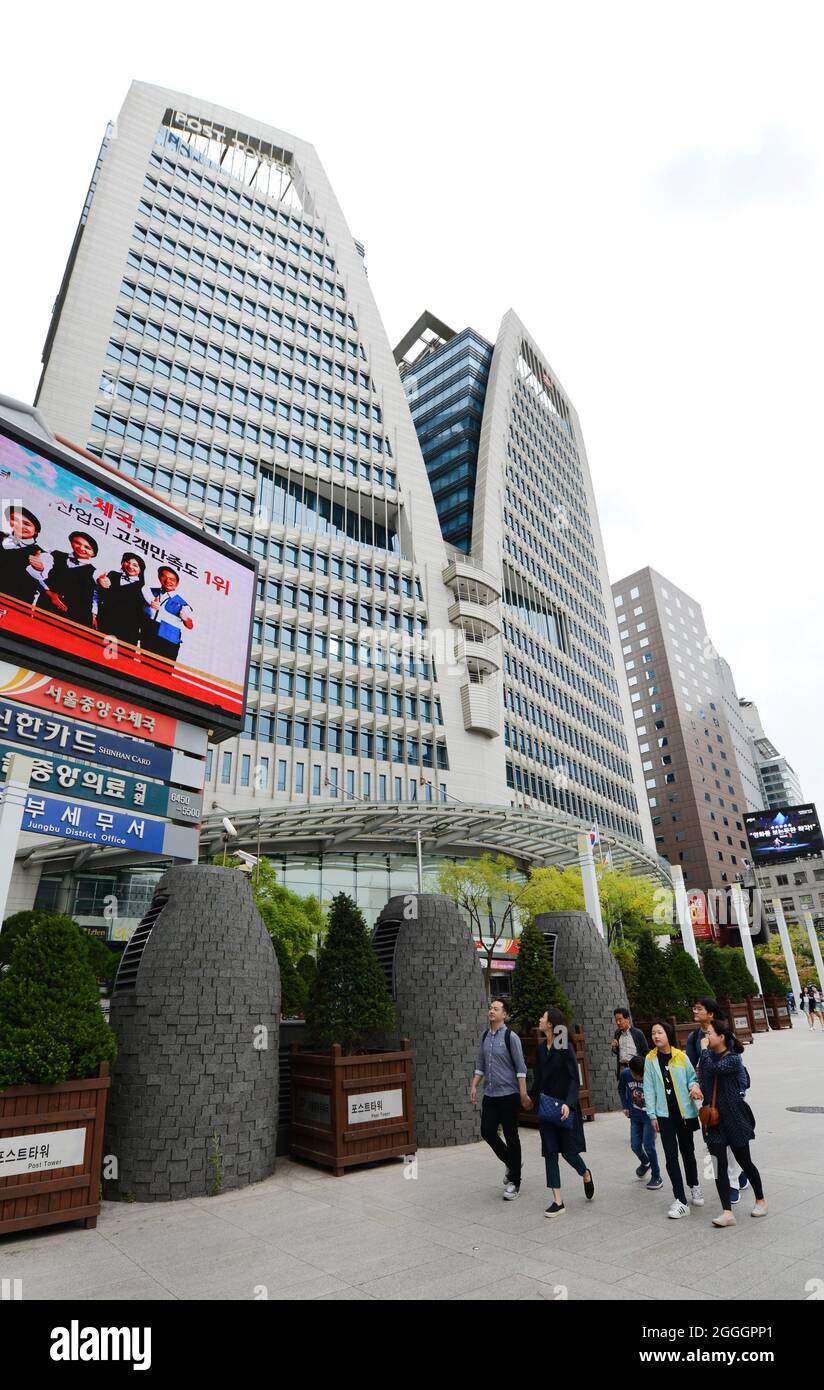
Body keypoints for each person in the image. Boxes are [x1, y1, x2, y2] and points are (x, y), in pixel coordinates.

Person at [696, 1017, 768, 1227]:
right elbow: (703, 1077)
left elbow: (715, 1069)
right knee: (717, 1165)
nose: (706, 1037)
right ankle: (727, 1212)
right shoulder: (707, 1057)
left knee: (745, 1161)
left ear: (721, 1036)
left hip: (734, 1118)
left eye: (709, 1034)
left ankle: (761, 1200)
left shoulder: (733, 1059)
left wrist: (704, 1052)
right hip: (713, 1120)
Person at [530, 1006, 594, 1218]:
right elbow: (538, 1079)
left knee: (568, 1151)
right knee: (550, 1152)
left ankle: (585, 1173)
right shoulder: (540, 1049)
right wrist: (529, 1099)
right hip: (546, 1109)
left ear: (550, 1024)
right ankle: (557, 1201)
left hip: (564, 1109)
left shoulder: (564, 1046)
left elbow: (574, 1079)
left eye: (542, 1017)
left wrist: (568, 1103)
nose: (539, 1019)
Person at [686, 996, 747, 1204]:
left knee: (731, 1141)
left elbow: (737, 1062)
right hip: (707, 1096)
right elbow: (690, 1066)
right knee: (712, 1141)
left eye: (699, 1009)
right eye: (694, 1008)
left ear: (710, 1014)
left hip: (727, 1095)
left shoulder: (721, 1033)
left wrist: (741, 1091)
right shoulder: (694, 1037)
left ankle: (732, 1182)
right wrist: (693, 1083)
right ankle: (731, 1175)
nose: (695, 1011)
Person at [470, 997, 532, 1200]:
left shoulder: (511, 1037)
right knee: (487, 1132)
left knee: (511, 1136)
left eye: (496, 1009)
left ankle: (515, 1181)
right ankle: (512, 1162)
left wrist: (523, 1094)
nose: (491, 1011)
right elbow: (480, 1065)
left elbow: (521, 1068)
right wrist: (474, 1085)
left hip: (509, 1095)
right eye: (490, 1008)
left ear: (504, 1014)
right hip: (490, 1094)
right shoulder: (484, 1036)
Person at [643, 1019, 704, 1219]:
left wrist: (694, 1086)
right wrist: (652, 1114)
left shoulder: (681, 1057)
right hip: (664, 1114)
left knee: (688, 1152)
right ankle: (680, 1200)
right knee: (670, 1156)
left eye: (659, 1032)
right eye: (653, 1033)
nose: (656, 1036)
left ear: (667, 1034)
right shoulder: (650, 1059)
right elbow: (649, 1088)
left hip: (684, 1113)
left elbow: (692, 1078)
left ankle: (694, 1185)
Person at [37, 531, 99, 627]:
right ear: (71, 542)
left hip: (74, 616)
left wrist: (94, 614)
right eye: (77, 543)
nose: (81, 548)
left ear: (93, 553)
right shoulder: (55, 555)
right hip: (45, 606)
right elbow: (39, 576)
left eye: (87, 547)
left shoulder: (95, 572)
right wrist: (50, 594)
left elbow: (95, 597)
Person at [618, 1054, 662, 1189]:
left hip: (650, 1116)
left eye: (641, 1075)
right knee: (635, 1146)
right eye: (636, 1075)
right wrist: (625, 1106)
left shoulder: (651, 1074)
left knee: (648, 1145)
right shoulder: (625, 1074)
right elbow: (621, 1089)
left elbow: (660, 1094)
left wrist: (658, 1115)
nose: (639, 1077)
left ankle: (656, 1175)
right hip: (635, 1115)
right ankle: (645, 1162)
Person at [96, 551, 148, 649]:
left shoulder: (143, 588)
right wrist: (99, 583)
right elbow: (99, 595)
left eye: (135, 565)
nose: (130, 566)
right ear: (122, 563)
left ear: (141, 570)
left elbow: (142, 614)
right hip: (103, 622)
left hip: (126, 632)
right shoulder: (112, 575)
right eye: (128, 562)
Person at [142, 565, 194, 663]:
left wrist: (185, 618)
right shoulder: (150, 592)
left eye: (172, 579)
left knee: (162, 672)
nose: (167, 581)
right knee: (144, 665)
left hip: (168, 640)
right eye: (164, 577)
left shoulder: (181, 603)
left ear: (177, 583)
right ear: (159, 577)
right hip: (149, 634)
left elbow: (190, 625)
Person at [0, 505, 46, 604]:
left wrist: (39, 570)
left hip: (14, 604)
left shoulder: (42, 554)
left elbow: (46, 582)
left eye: (26, 523)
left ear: (36, 530)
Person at [611, 1008, 648, 1079]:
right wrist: (614, 1047)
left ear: (627, 1019)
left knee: (637, 1089)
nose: (618, 1023)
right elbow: (617, 1052)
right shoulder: (617, 1033)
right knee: (623, 1089)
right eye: (616, 1020)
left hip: (636, 1069)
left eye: (620, 1020)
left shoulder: (638, 1033)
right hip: (622, 1068)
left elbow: (645, 1052)